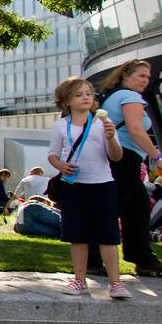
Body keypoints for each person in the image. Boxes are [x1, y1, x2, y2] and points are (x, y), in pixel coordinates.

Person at [95, 60, 162, 276]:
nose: (145, 81)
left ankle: (143, 257)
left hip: (117, 157)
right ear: (125, 75)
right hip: (125, 159)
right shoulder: (130, 97)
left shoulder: (112, 96)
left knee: (138, 206)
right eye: (141, 76)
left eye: (148, 77)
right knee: (113, 208)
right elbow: (136, 130)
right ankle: (93, 260)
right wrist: (158, 158)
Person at [48, 77, 128, 298]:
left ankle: (116, 282)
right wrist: (60, 165)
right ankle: (79, 280)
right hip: (73, 186)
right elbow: (53, 154)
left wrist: (111, 138)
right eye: (78, 94)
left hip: (102, 184)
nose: (85, 98)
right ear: (66, 101)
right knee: (78, 235)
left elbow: (116, 156)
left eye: (88, 94)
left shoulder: (103, 123)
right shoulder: (60, 126)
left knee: (108, 234)